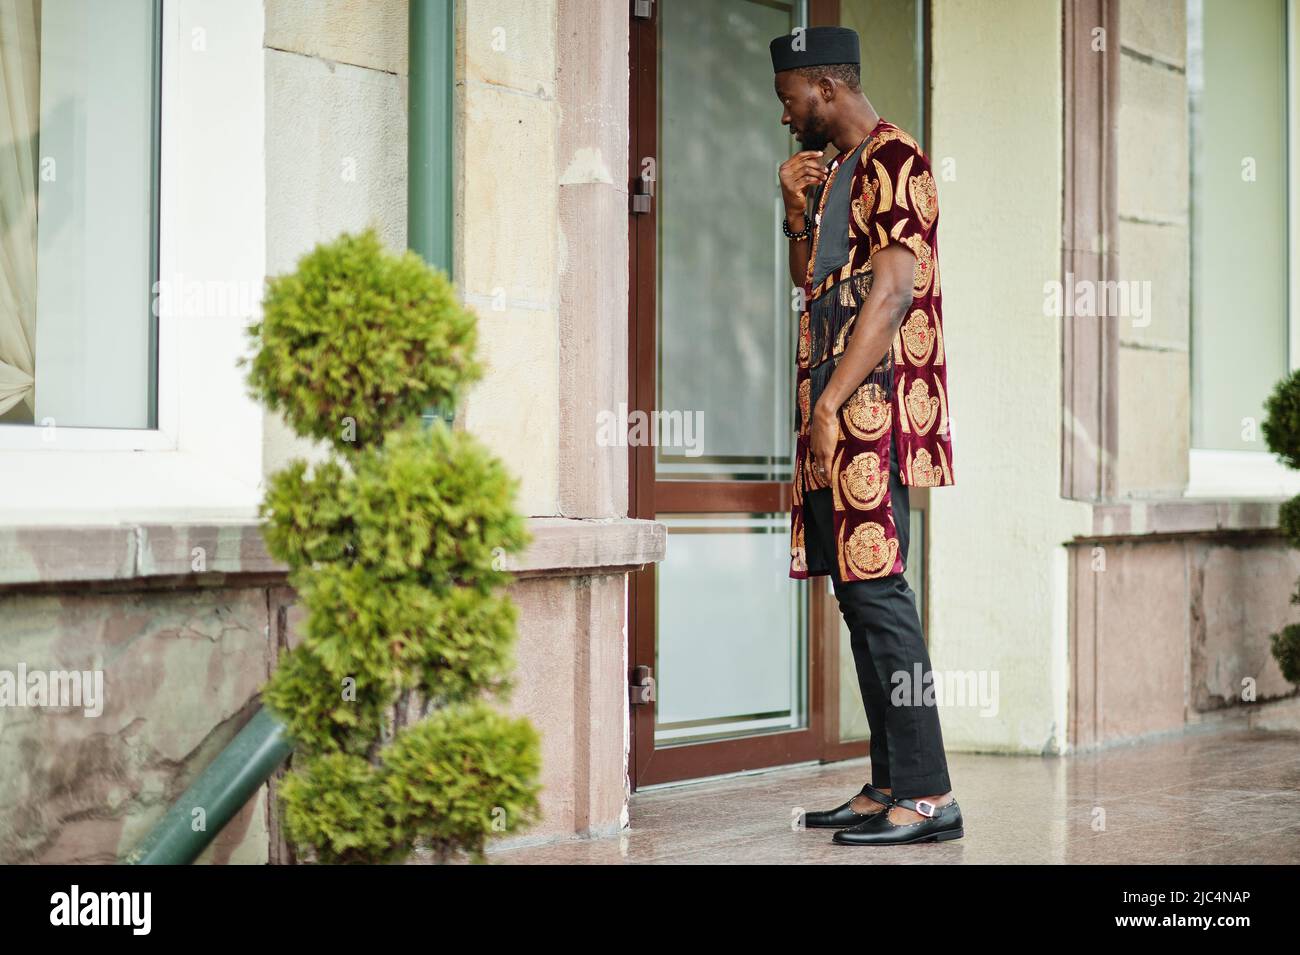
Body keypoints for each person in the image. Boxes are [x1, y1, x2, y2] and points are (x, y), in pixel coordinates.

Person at [770, 25, 962, 845]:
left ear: (825, 87)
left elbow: (890, 294)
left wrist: (828, 406)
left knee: (881, 595)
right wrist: (794, 212)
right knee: (857, 595)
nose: (786, 118)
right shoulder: (839, 172)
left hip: (868, 412)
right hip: (836, 415)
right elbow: (810, 282)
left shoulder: (897, 160)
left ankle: (928, 795)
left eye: (789, 101)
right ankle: (889, 780)